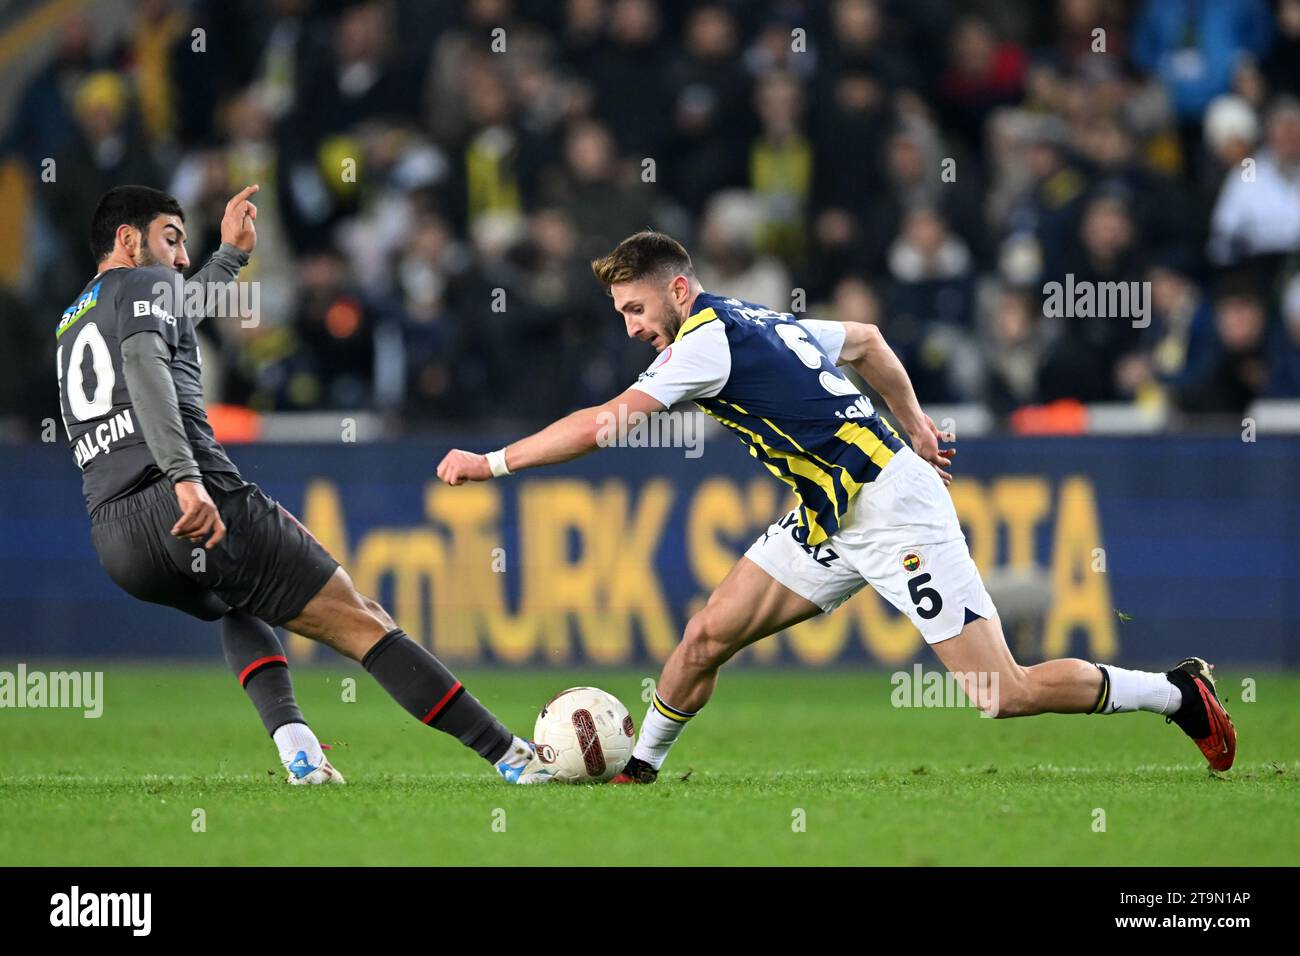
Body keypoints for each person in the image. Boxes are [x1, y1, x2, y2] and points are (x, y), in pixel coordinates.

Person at [435, 230, 1236, 783]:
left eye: (636, 310)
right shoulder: (754, 318)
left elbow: (603, 425)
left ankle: (1175, 693)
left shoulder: (706, 342)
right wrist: (917, 422)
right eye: (622, 317)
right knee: (708, 632)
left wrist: (494, 462)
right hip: (829, 514)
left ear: (678, 289)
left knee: (1000, 694)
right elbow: (866, 341)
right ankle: (641, 767)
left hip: (891, 511)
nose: (634, 327)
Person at [57, 184, 552, 785]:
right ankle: (514, 758)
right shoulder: (145, 285)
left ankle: (301, 755)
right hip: (187, 492)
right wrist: (187, 481)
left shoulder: (75, 319)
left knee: (237, 602)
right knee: (363, 619)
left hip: (118, 539)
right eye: (172, 239)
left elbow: (169, 321)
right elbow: (146, 369)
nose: (183, 258)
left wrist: (230, 256)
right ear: (127, 240)